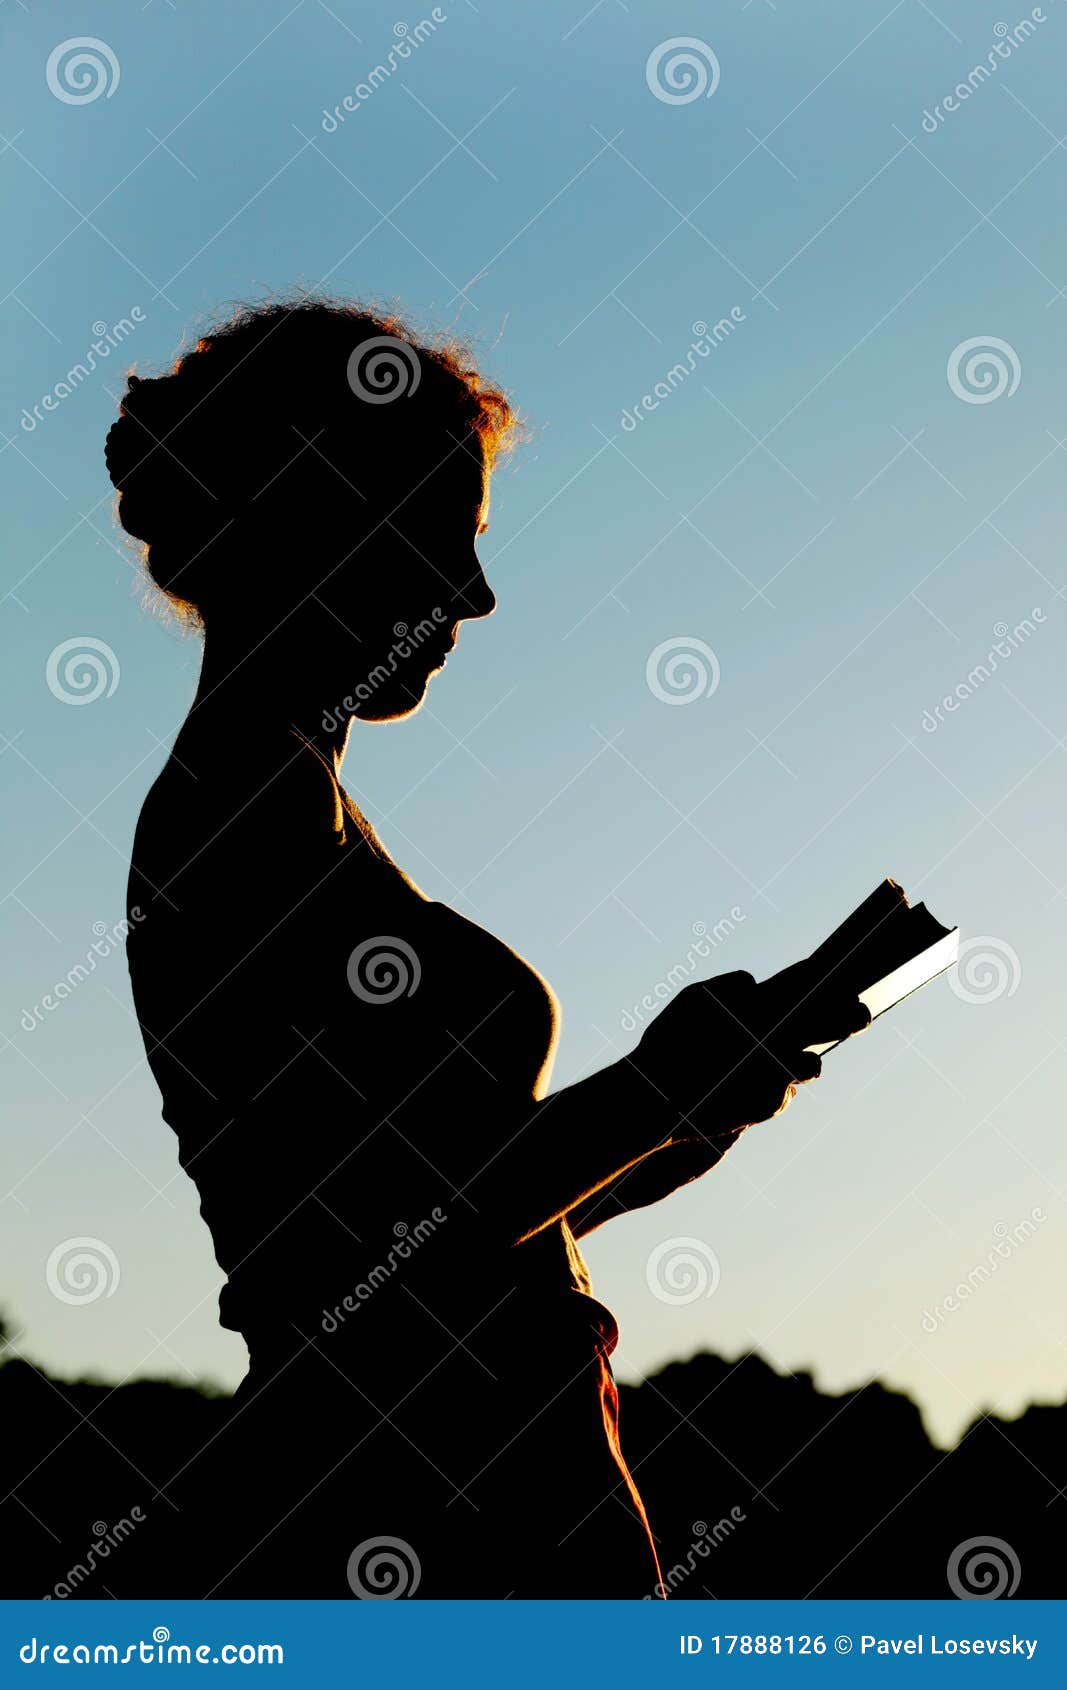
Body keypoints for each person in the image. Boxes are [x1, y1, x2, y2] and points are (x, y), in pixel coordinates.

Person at [109, 298, 869, 1598]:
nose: (473, 593)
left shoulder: (292, 808)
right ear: (315, 523)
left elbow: (457, 1217)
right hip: (412, 1504)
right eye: (438, 542)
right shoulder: (242, 812)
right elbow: (385, 1250)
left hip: (469, 1496)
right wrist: (653, 1089)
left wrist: (667, 1130)